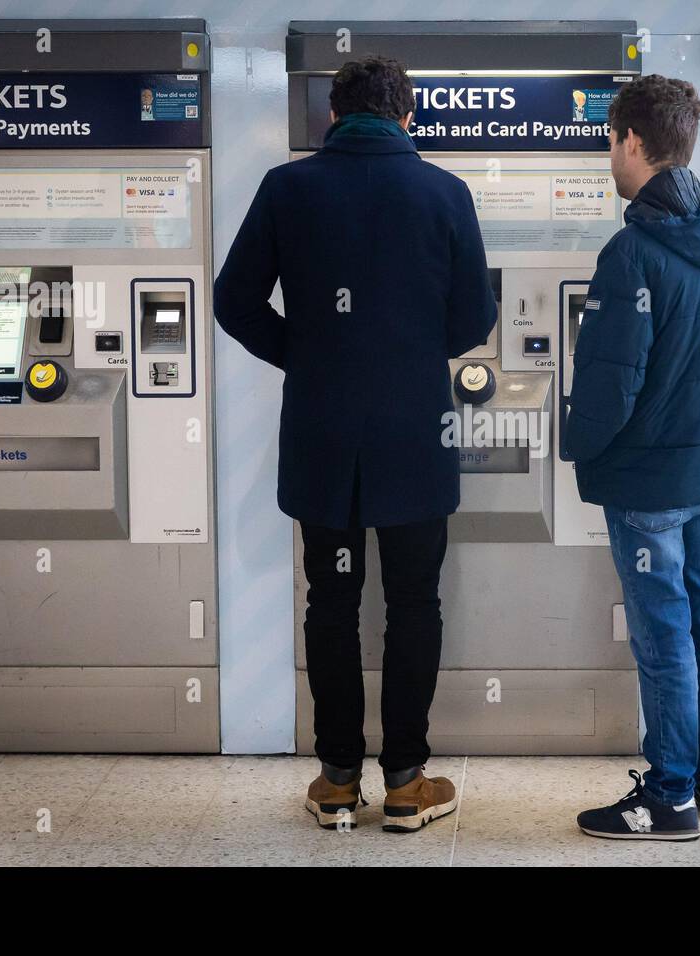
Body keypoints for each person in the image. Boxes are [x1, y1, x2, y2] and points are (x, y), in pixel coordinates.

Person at [213, 56, 496, 833]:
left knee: (331, 599)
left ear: (332, 116)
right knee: (413, 601)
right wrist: (406, 351)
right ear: (407, 117)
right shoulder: (445, 193)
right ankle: (405, 781)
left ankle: (337, 779)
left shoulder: (288, 187)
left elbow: (232, 299)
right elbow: (474, 320)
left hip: (323, 432)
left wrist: (304, 352)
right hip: (413, 433)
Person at [566, 75, 700, 841]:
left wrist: (575, 446)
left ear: (630, 141)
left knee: (663, 632)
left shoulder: (630, 255)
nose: (607, 156)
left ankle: (670, 796)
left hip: (651, 483)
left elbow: (608, 386)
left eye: (609, 141)